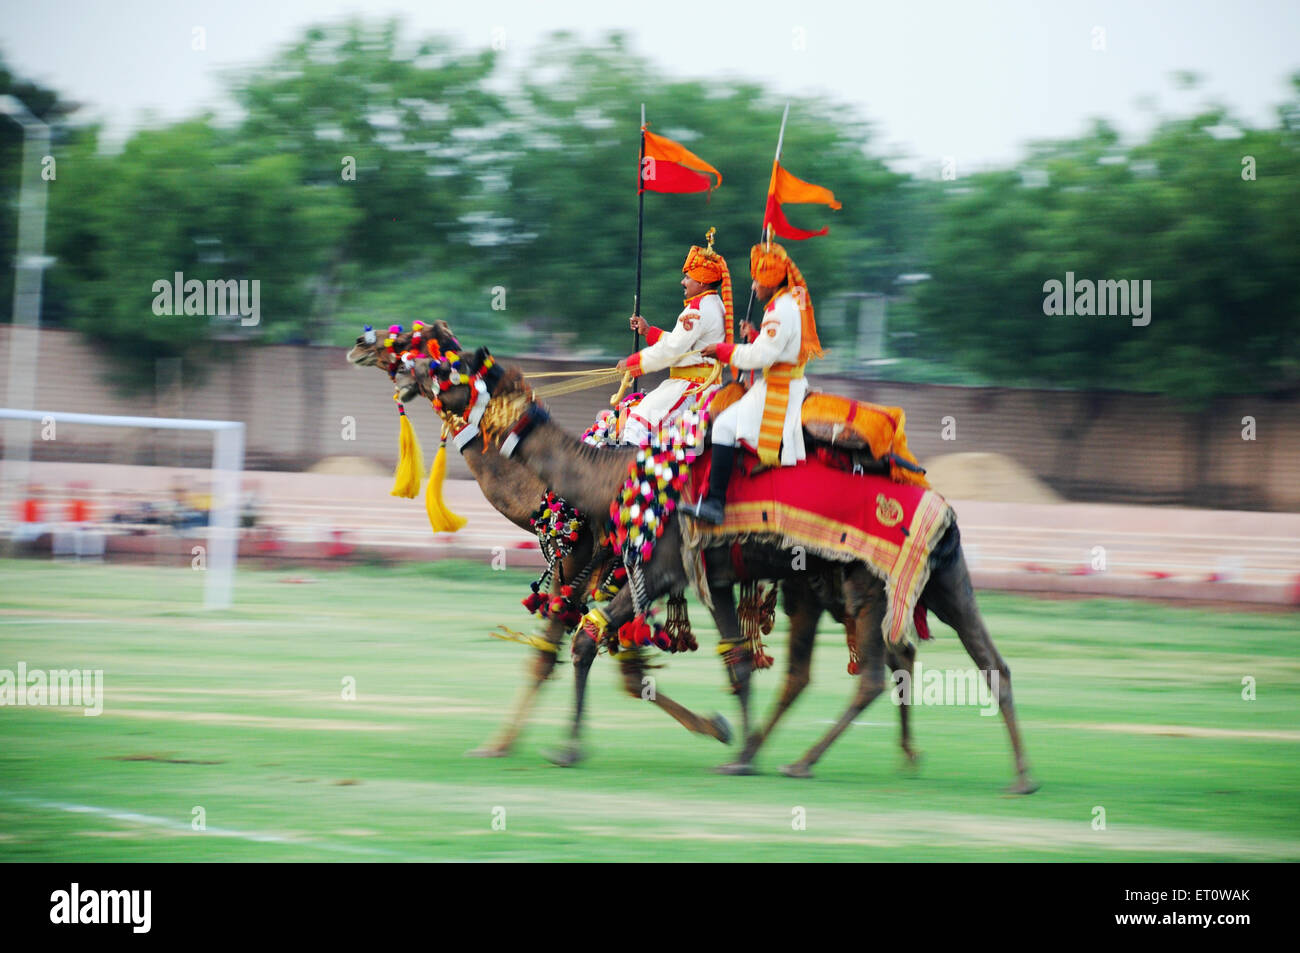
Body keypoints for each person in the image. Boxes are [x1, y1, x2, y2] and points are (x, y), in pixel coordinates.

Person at [693, 234, 823, 524]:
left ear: (770, 282)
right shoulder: (788, 303)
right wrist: (753, 336)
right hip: (780, 381)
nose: (753, 286)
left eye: (756, 281)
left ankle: (716, 504)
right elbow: (776, 348)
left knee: (724, 426)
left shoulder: (780, 311)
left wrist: (723, 350)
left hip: (779, 388)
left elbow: (762, 357)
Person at [615, 229, 733, 447]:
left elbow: (671, 350)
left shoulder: (696, 310)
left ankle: (633, 479)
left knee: (636, 426)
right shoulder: (713, 304)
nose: (683, 282)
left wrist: (633, 363)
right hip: (696, 384)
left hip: (691, 388)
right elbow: (682, 343)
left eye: (688, 277)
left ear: (702, 282)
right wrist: (648, 331)